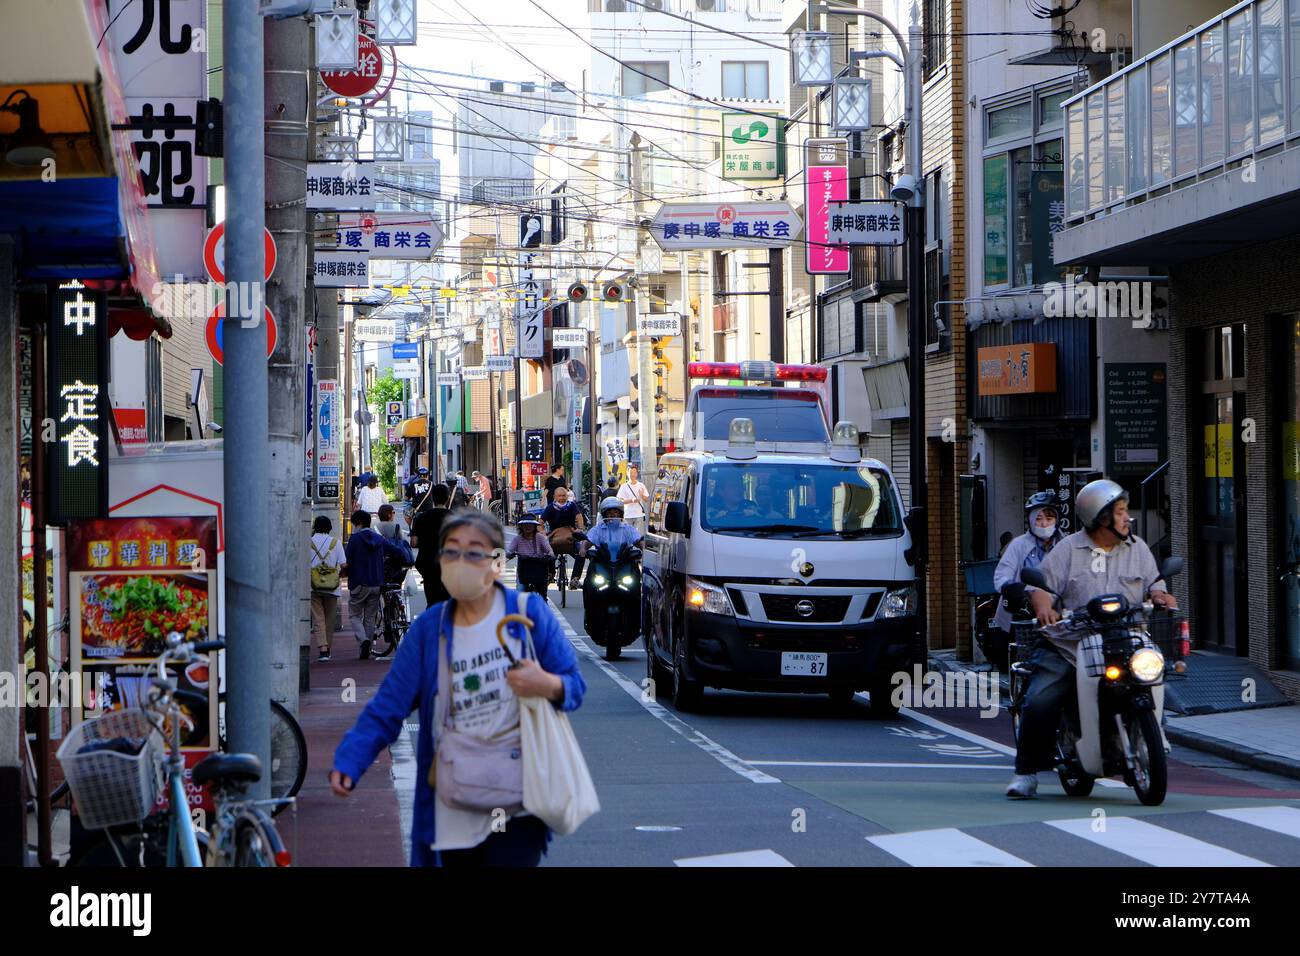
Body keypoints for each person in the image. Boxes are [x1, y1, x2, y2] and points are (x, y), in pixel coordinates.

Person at [330, 510, 587, 867]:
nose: (461, 562)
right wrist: (351, 759)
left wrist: (546, 683)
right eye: (451, 552)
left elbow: (574, 686)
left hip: (518, 803)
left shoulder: (529, 616)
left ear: (496, 562)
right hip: (451, 801)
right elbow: (389, 705)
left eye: (474, 552)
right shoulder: (428, 630)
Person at [1006, 479, 1178, 799]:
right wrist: (1044, 606)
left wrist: (1160, 594)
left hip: (1128, 637)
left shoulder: (1137, 547)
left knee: (1155, 679)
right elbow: (1040, 585)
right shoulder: (1069, 548)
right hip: (1072, 640)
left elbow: (1155, 581)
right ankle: (1026, 772)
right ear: (1101, 518)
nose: (1128, 518)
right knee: (1042, 696)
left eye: (1126, 511)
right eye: (1121, 512)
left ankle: (1146, 738)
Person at [992, 492, 1062, 634]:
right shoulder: (1018, 545)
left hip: (1058, 616)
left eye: (1049, 519)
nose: (1044, 524)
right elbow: (1001, 576)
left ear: (1057, 520)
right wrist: (1012, 587)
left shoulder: (1065, 545)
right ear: (1030, 520)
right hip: (1022, 617)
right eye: (1038, 519)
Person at [344, 510, 411, 660]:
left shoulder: (354, 540)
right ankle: (366, 649)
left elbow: (347, 562)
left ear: (359, 523)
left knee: (354, 614)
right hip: (376, 582)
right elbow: (397, 551)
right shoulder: (379, 539)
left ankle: (364, 641)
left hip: (358, 582)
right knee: (370, 616)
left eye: (354, 524)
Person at [309, 517, 348, 662]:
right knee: (329, 619)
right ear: (329, 527)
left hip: (313, 585)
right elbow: (344, 565)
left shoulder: (309, 542)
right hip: (332, 586)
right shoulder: (335, 543)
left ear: (315, 526)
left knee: (318, 618)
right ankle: (327, 648)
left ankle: (323, 649)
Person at [412, 484, 452, 607]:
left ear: (432, 497)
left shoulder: (421, 517)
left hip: (428, 565)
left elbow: (413, 543)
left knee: (432, 602)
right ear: (448, 498)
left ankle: (432, 624)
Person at [541, 485, 586, 589]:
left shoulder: (571, 505)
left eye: (564, 495)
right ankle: (550, 574)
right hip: (554, 537)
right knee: (547, 554)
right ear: (555, 497)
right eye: (559, 496)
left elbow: (579, 516)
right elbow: (540, 522)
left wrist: (580, 528)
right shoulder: (550, 507)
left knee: (582, 552)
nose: (562, 498)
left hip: (571, 536)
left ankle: (575, 578)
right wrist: (542, 532)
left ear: (567, 496)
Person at [581, 497, 642, 567]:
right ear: (604, 515)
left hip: (624, 563)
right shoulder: (598, 529)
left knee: (636, 570)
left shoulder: (628, 528)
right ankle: (575, 577)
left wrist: (642, 545)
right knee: (588, 569)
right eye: (609, 512)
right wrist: (583, 548)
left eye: (615, 512)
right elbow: (588, 540)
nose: (612, 515)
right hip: (602, 563)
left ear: (620, 514)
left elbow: (637, 540)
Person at [506, 516, 554, 595]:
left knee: (543, 595)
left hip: (539, 571)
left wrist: (550, 555)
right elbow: (509, 550)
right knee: (520, 593)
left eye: (530, 525)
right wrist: (510, 554)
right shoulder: (517, 539)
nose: (528, 527)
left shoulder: (540, 538)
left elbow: (549, 550)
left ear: (535, 526)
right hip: (523, 572)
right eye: (525, 525)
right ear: (521, 526)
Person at [617, 464, 650, 531]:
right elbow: (620, 501)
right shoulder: (624, 486)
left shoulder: (641, 485)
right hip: (628, 515)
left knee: (638, 537)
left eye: (634, 472)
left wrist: (641, 495)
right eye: (631, 472)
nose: (633, 474)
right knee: (628, 536)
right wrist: (632, 500)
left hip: (639, 515)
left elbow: (647, 499)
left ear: (637, 474)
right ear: (627, 473)